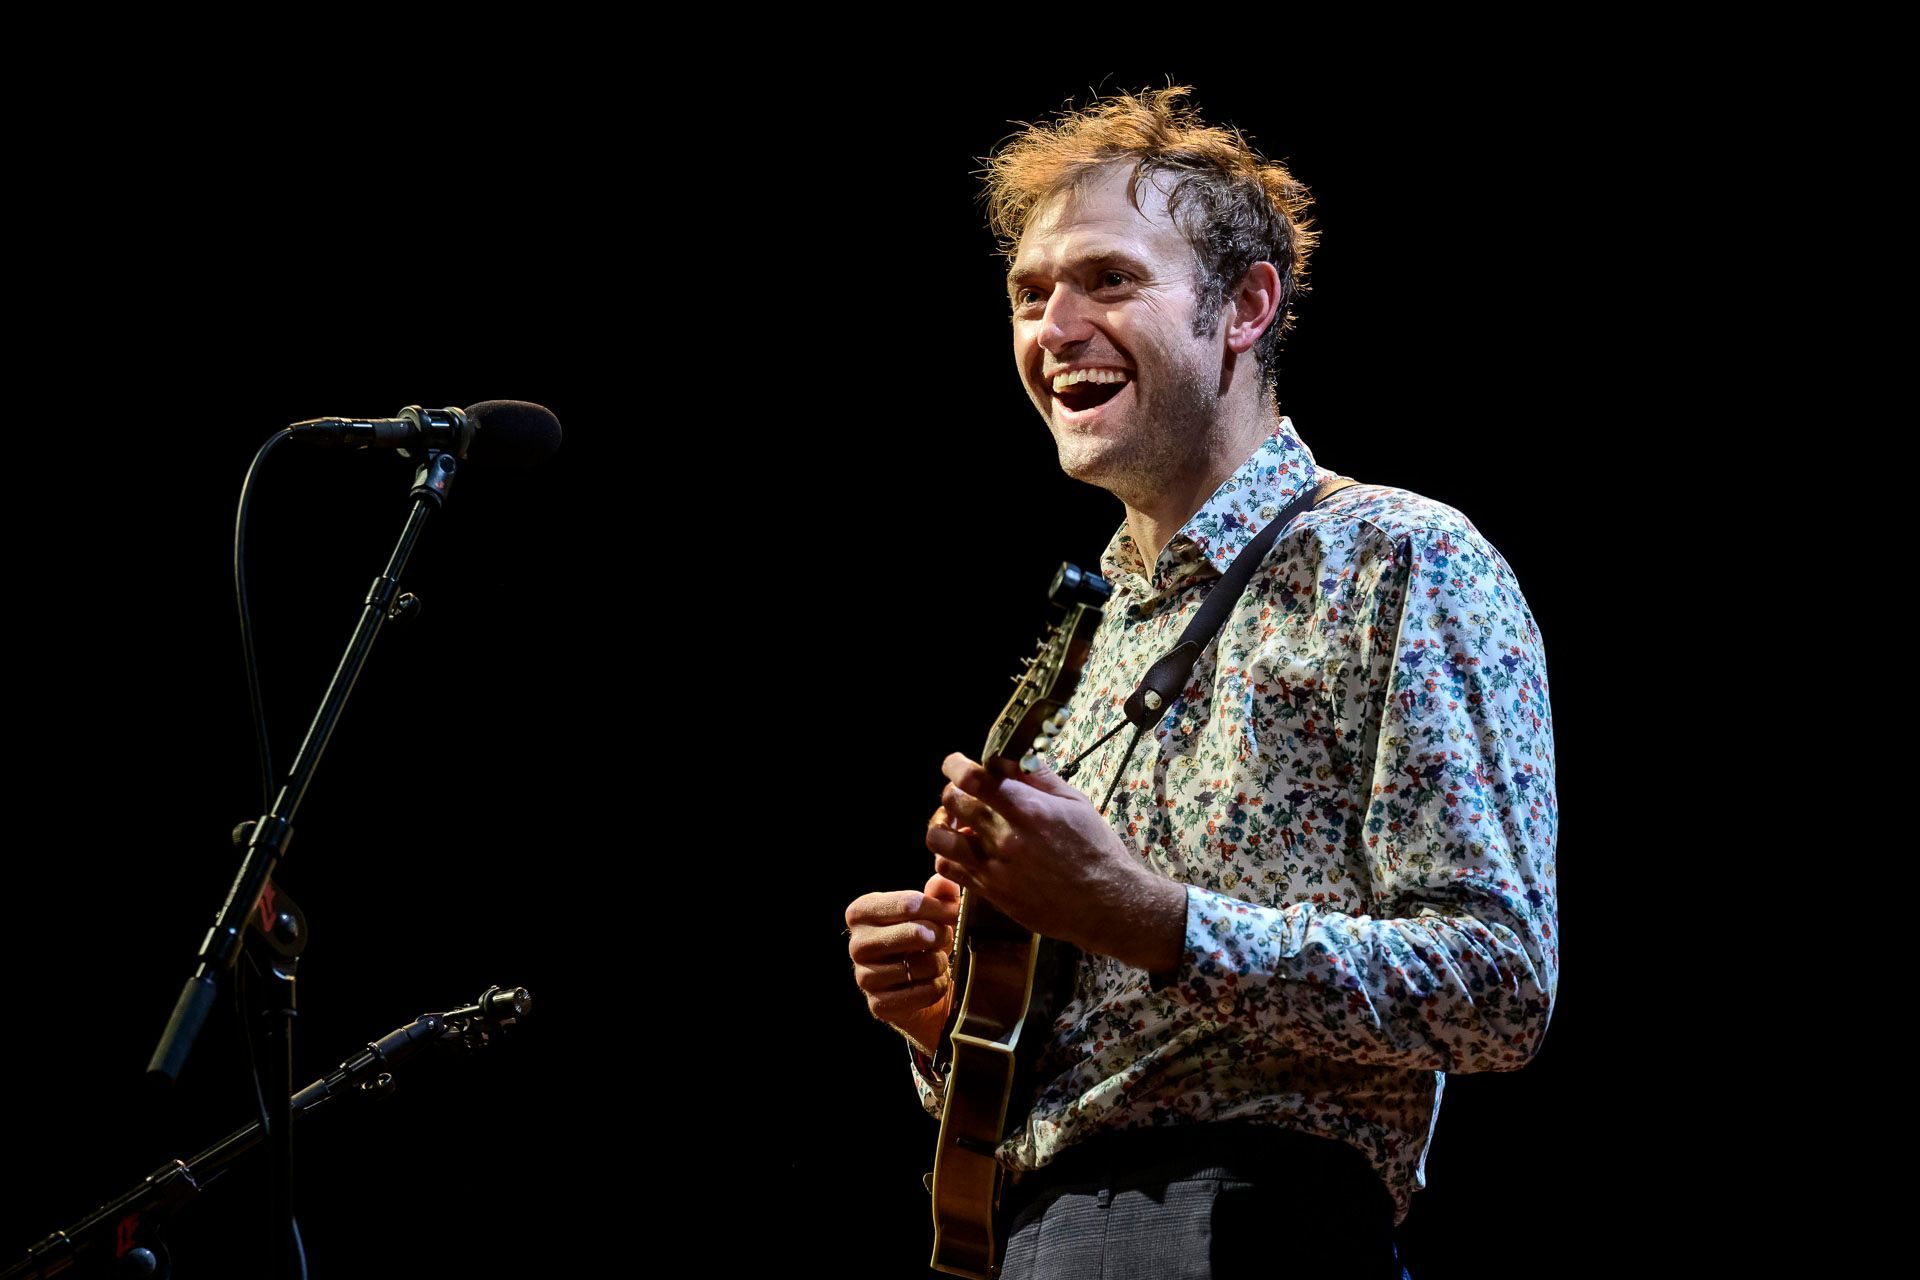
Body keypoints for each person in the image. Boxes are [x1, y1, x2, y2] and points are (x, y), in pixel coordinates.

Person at [845, 86, 1557, 1279]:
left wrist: (1149, 918)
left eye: (1109, 280)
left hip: (1249, 1227)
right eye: (1029, 293)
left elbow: (1498, 985)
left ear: (1244, 305)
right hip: (1042, 1237)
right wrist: (957, 1021)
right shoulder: (1088, 631)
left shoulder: (1398, 558)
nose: (1054, 325)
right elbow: (1085, 1051)